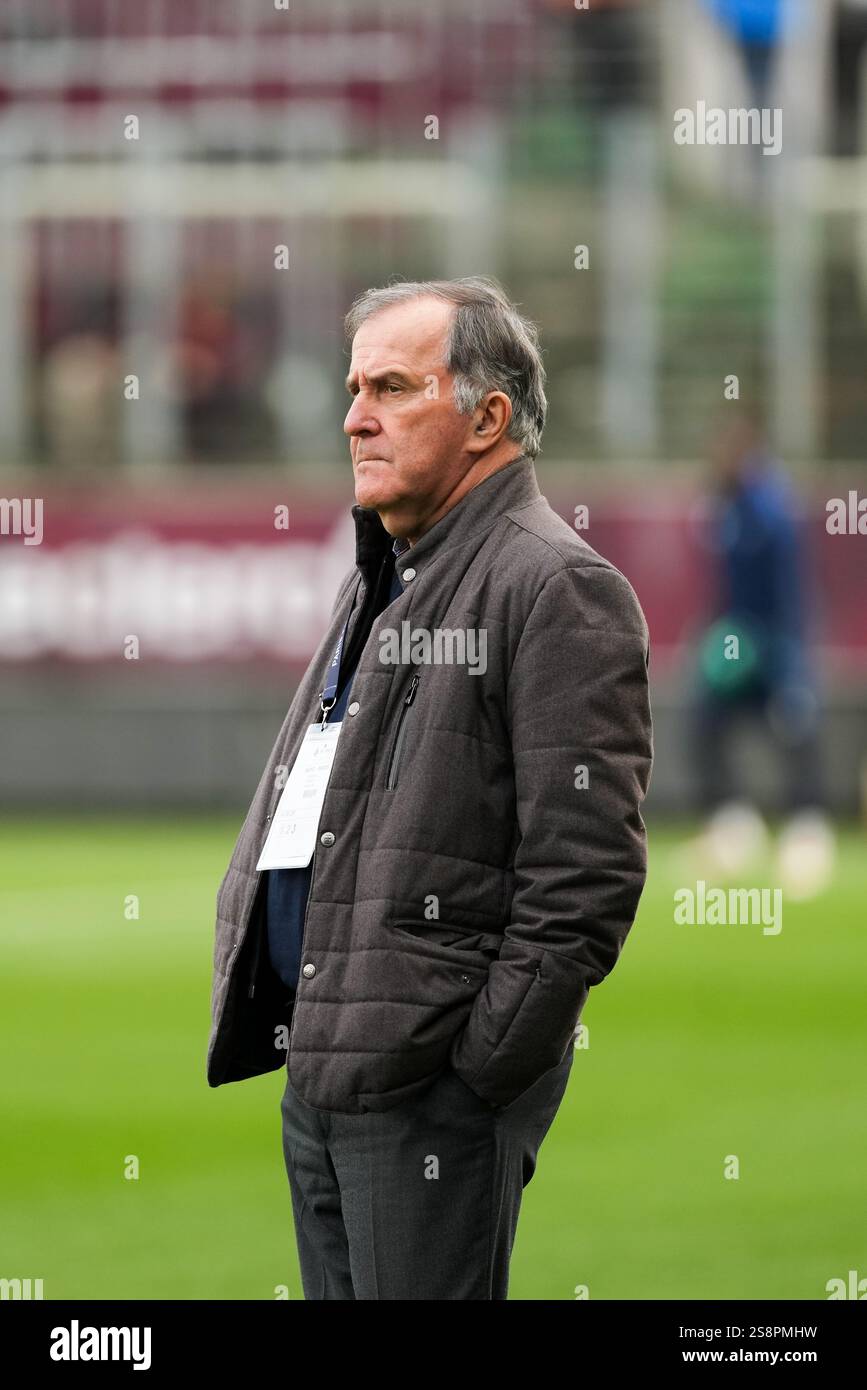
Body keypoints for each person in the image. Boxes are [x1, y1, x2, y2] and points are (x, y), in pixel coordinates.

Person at [206, 275, 653, 1300]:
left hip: (427, 1095)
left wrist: (475, 1071)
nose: (355, 417)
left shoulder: (557, 586)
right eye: (354, 387)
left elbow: (582, 879)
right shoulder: (387, 569)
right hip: (324, 1069)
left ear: (487, 417)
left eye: (394, 387)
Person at [686, 407, 835, 897]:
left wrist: (787, 657)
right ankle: (734, 827)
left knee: (796, 731)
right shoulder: (725, 506)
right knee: (706, 720)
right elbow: (723, 588)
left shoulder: (771, 508)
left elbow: (786, 590)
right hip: (736, 644)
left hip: (775, 643)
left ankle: (807, 836)